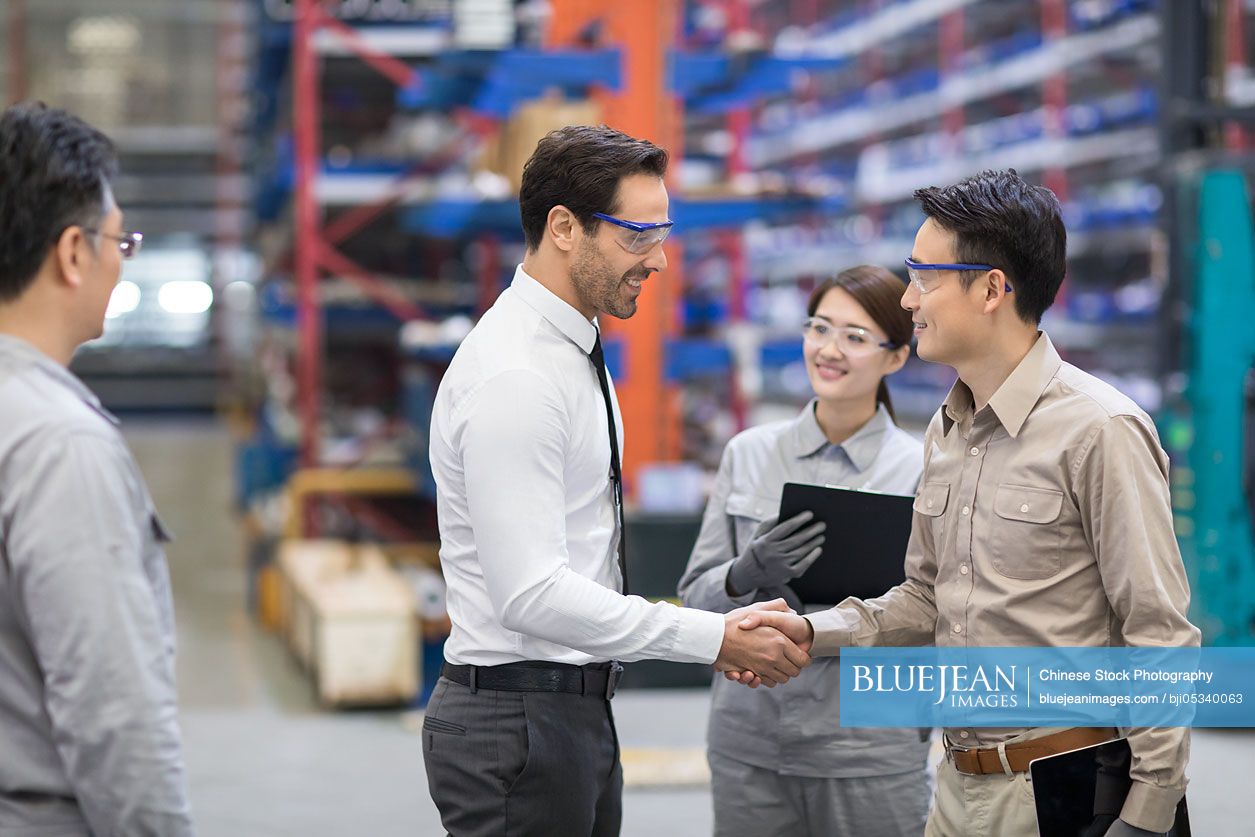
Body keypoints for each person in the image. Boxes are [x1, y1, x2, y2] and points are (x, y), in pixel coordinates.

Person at [736, 169, 1199, 837]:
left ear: (989, 288)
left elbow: (1156, 631)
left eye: (923, 275)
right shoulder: (947, 430)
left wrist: (1149, 811)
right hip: (958, 785)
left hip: (1064, 786)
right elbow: (924, 598)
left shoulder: (1099, 429)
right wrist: (811, 632)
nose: (907, 298)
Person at [423, 124, 810, 837]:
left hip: (570, 710)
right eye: (638, 236)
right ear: (563, 228)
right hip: (519, 722)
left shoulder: (573, 350)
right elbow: (530, 592)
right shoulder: (518, 375)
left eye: (661, 235)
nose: (658, 260)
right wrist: (709, 636)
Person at [678, 265, 933, 837]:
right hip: (750, 740)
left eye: (855, 336)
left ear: (896, 357)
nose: (829, 349)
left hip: (869, 749)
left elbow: (934, 614)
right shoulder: (748, 453)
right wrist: (744, 573)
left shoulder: (922, 470)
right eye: (820, 328)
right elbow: (694, 596)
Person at [0, 103, 194, 835]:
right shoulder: (58, 445)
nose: (123, 259)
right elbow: (112, 714)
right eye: (123, 240)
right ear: (73, 252)